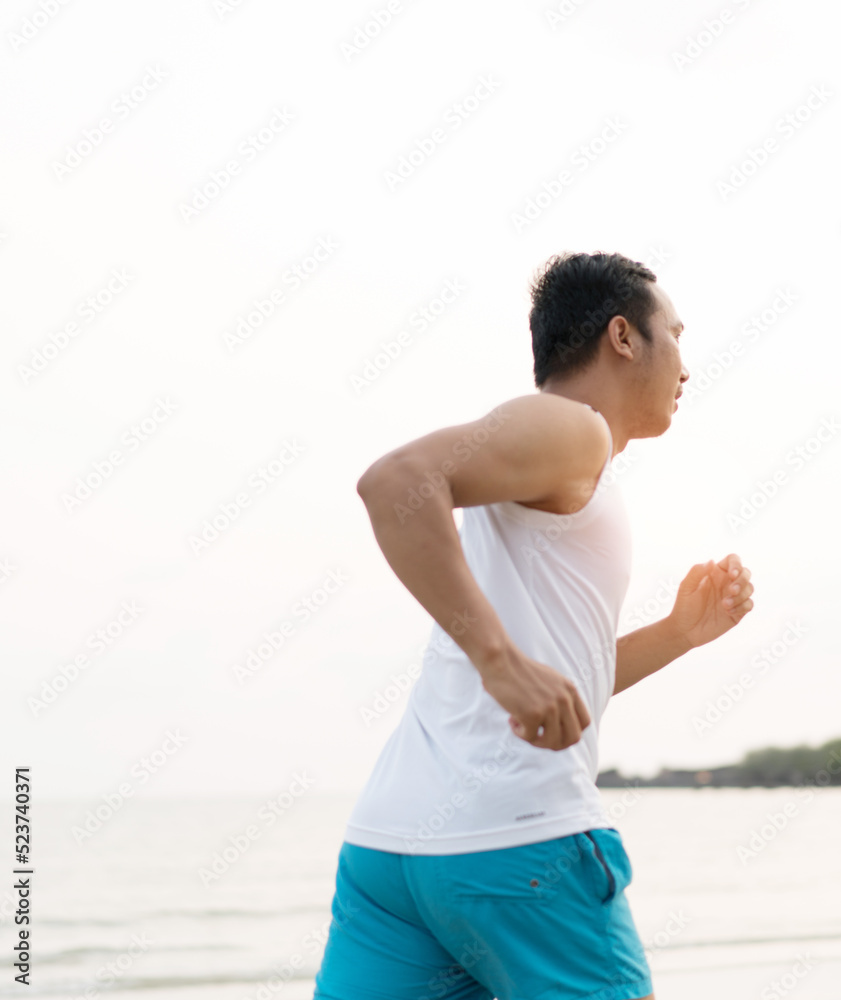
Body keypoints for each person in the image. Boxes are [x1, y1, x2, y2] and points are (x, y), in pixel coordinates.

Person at [313, 251, 755, 1000]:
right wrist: (499, 661)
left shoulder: (548, 459)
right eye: (674, 335)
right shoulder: (572, 428)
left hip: (393, 851)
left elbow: (558, 679)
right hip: (517, 844)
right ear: (623, 336)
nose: (686, 364)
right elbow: (394, 482)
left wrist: (678, 633)